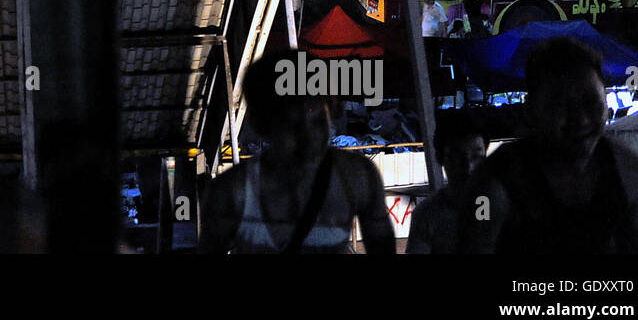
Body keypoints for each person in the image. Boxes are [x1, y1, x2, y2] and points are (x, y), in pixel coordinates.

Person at [458, 37, 638, 254]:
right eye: (560, 105)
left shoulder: (630, 171)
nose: (581, 120)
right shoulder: (494, 183)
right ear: (530, 111)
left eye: (591, 103)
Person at [197, 54, 396, 254]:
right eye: (295, 123)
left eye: (316, 116)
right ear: (263, 124)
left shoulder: (231, 189)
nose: (309, 131)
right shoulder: (356, 176)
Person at [406, 115, 486, 254]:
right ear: (441, 159)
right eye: (457, 157)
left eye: (476, 156)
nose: (469, 167)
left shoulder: (504, 205)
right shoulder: (426, 213)